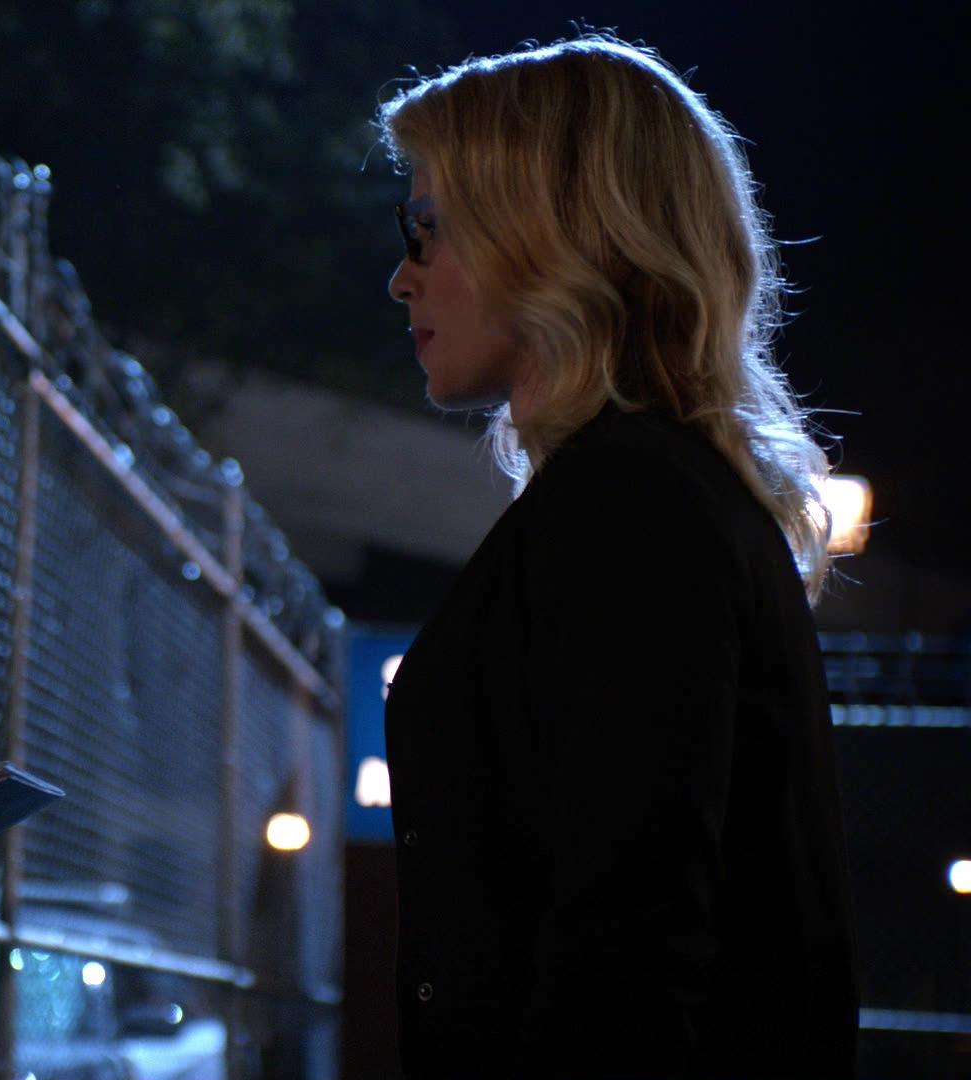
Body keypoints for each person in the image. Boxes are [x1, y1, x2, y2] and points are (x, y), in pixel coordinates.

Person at [375, 36, 858, 1078]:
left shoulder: (634, 507)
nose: (401, 278)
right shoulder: (650, 494)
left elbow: (627, 949)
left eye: (428, 228)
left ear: (544, 232)